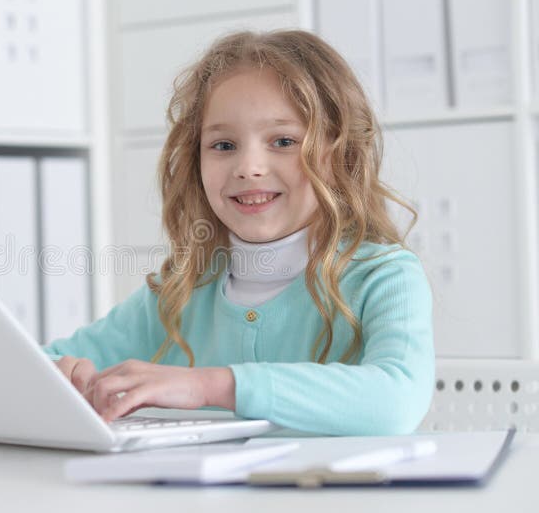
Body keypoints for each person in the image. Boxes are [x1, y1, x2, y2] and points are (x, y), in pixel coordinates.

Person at [43, 29, 434, 436]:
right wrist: (61, 374)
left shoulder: (384, 277)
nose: (248, 167)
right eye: (223, 145)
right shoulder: (180, 292)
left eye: (283, 141)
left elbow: (397, 400)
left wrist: (212, 385)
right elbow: (33, 364)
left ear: (341, 154)